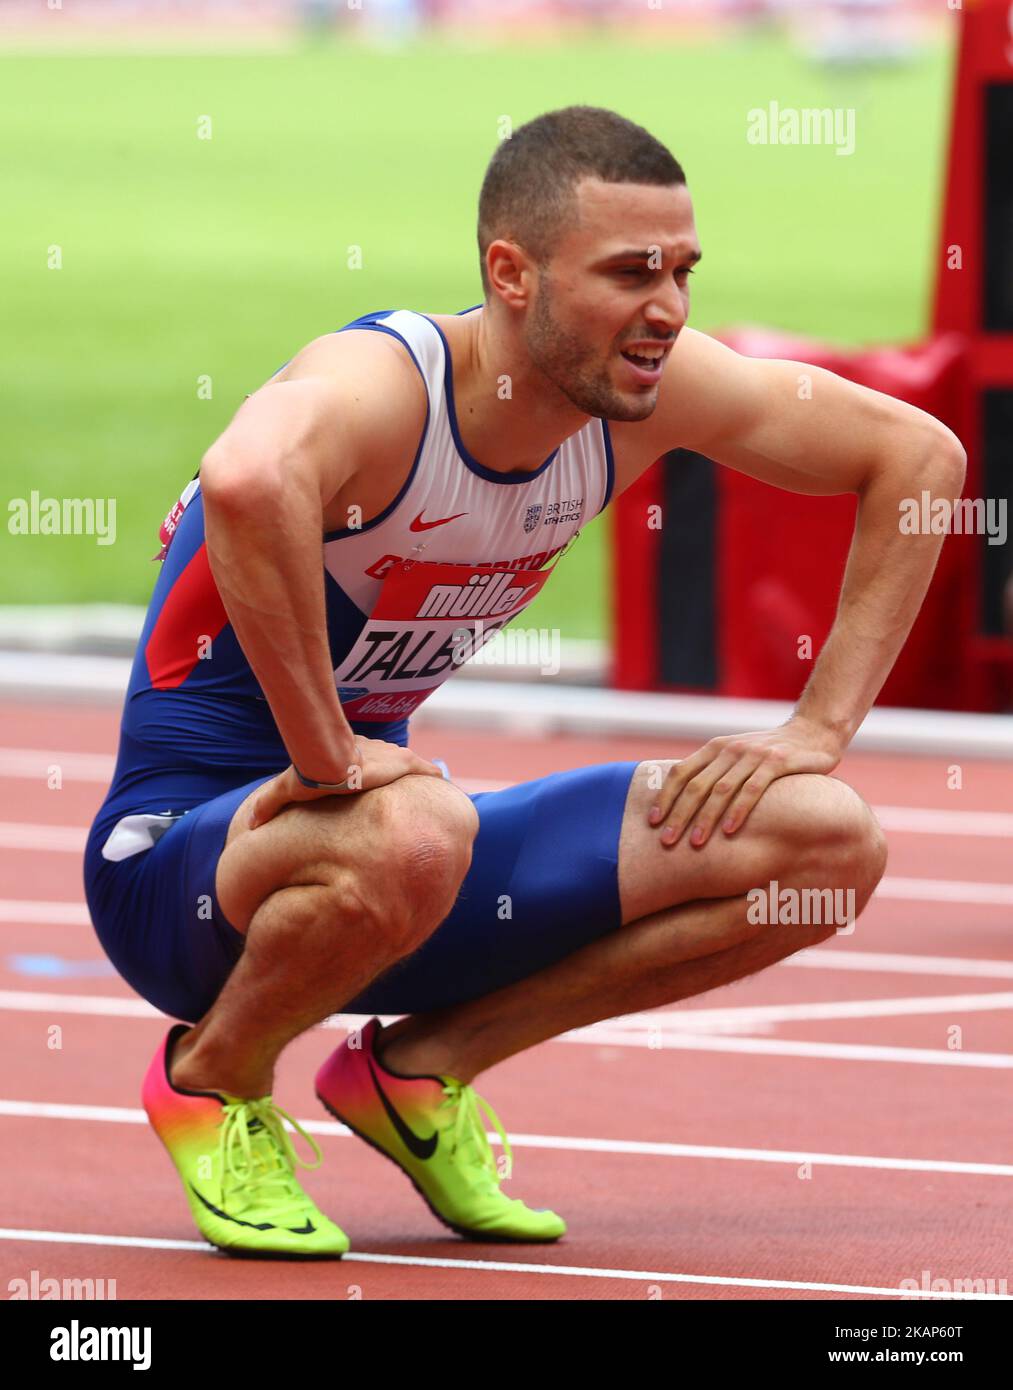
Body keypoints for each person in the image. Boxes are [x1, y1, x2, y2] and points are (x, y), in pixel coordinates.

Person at [84, 105, 964, 1258]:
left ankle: (419, 1070)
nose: (667, 309)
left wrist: (817, 725)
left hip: (403, 865)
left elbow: (920, 458)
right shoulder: (388, 384)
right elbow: (246, 475)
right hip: (186, 880)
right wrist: (326, 756)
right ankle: (213, 1074)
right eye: (629, 273)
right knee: (415, 825)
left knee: (824, 840)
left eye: (683, 272)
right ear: (510, 272)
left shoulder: (640, 393)